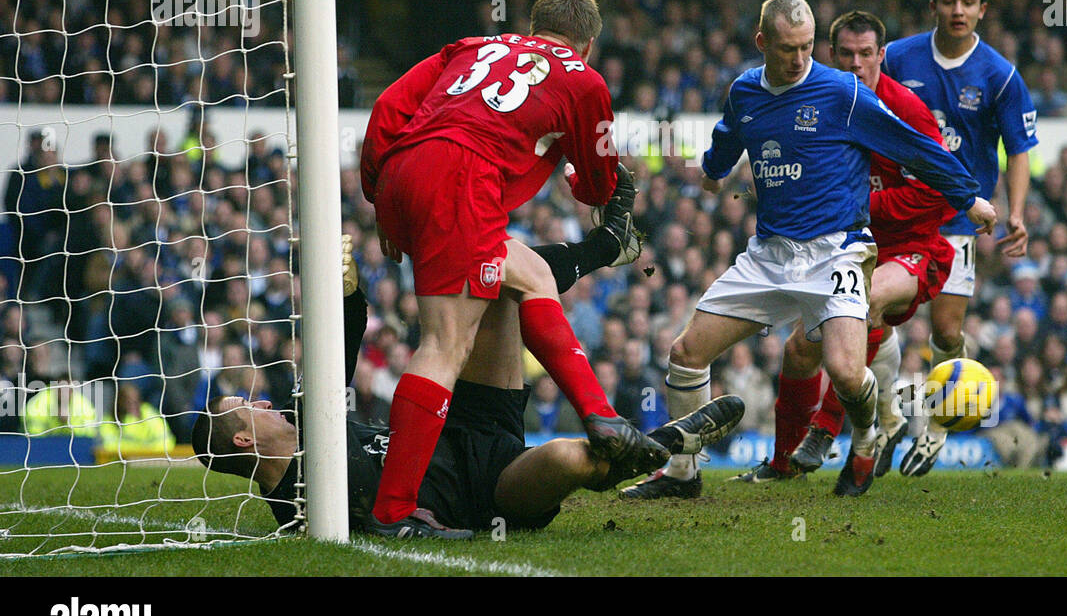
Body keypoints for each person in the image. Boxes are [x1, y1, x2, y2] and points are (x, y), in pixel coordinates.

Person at [620, 0, 995, 501]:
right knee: (686, 352)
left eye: (806, 47)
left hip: (838, 251)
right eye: (787, 49)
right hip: (771, 255)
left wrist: (967, 196)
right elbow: (730, 133)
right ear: (761, 43)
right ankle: (683, 474)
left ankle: (865, 437)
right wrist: (712, 170)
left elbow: (912, 145)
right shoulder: (746, 91)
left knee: (843, 371)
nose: (799, 60)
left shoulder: (842, 91)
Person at [358, 0, 664, 537]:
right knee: (445, 344)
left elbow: (386, 108)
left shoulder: (472, 47)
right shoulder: (584, 79)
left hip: (403, 168)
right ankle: (394, 511)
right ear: (588, 42)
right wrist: (604, 181)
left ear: (531, 26)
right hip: (462, 177)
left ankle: (599, 412)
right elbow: (594, 188)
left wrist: (382, 196)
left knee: (531, 273)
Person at [192, 234, 745, 538]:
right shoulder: (297, 506)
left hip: (466, 419)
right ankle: (670, 441)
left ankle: (605, 247)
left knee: (493, 260)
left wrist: (348, 291)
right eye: (247, 407)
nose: (261, 401)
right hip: (488, 491)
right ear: (244, 441)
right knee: (574, 460)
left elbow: (339, 352)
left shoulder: (306, 420)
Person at [738, 11, 956, 487]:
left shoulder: (906, 108)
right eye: (846, 54)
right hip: (845, 247)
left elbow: (936, 189)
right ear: (831, 55)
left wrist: (859, 205)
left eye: (866, 54)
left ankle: (829, 429)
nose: (856, 64)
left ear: (882, 55)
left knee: (870, 298)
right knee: (798, 350)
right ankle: (782, 463)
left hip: (912, 248)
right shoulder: (818, 101)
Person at [881, 0, 1039, 476]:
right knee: (874, 316)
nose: (958, 10)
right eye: (948, 1)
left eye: (968, 2)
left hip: (954, 219)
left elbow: (1018, 150)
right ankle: (885, 418)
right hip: (896, 212)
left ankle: (936, 423)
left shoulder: (999, 75)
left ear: (983, 10)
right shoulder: (896, 57)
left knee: (946, 332)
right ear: (933, 7)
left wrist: (1016, 213)